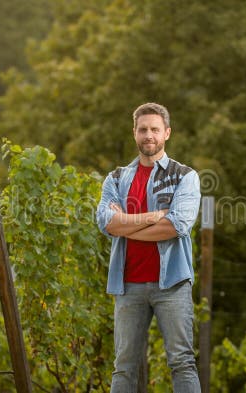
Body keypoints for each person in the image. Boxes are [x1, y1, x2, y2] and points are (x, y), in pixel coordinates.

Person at [96, 102, 201, 392]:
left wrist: (126, 225)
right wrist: (153, 217)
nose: (149, 135)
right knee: (124, 366)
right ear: (134, 133)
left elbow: (176, 226)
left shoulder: (185, 176)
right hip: (128, 284)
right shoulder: (116, 178)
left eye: (155, 129)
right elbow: (106, 223)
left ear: (167, 133)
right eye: (143, 129)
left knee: (182, 362)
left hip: (172, 284)